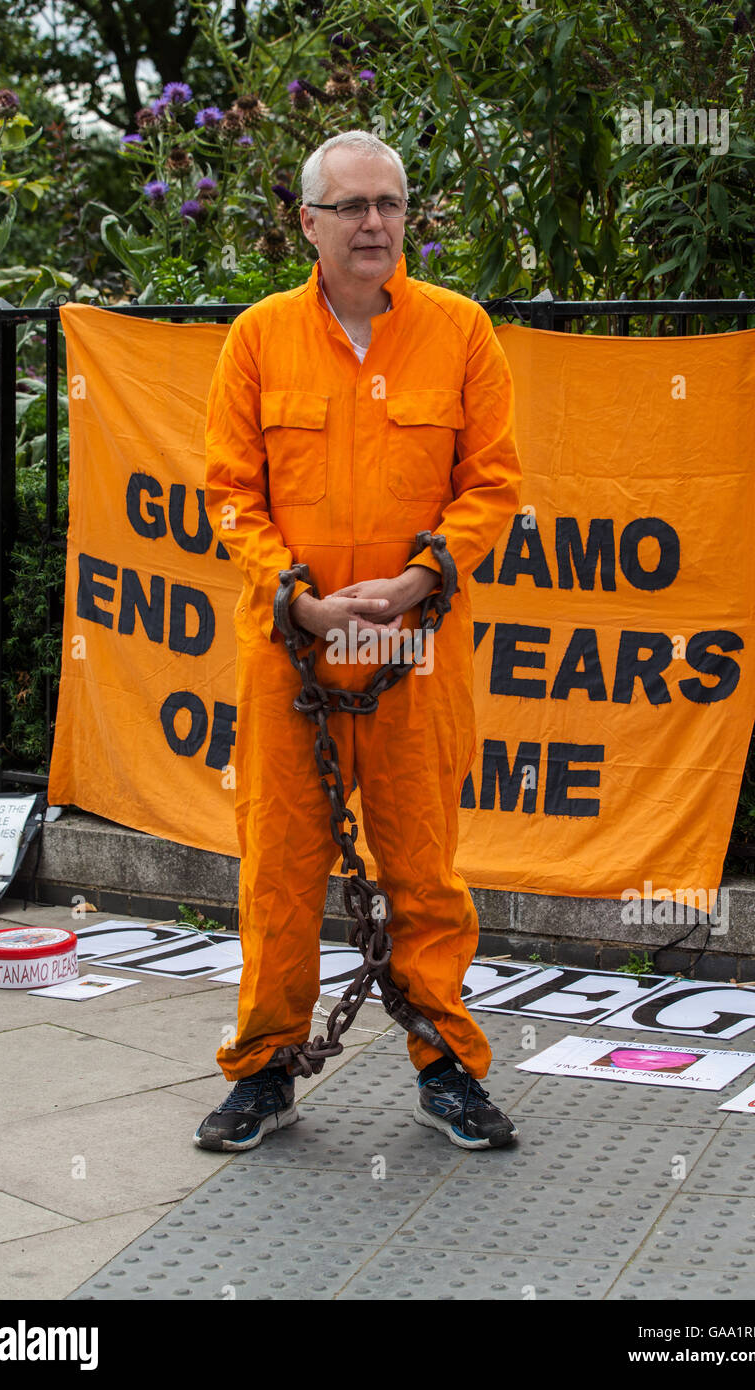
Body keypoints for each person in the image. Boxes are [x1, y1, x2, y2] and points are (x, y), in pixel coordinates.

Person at [197, 129, 523, 1153]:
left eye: (387, 203)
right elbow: (228, 494)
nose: (374, 222)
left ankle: (446, 1067)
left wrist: (425, 573)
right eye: (351, 206)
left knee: (423, 866)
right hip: (287, 651)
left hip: (414, 654)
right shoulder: (255, 339)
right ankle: (262, 1068)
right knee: (280, 869)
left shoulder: (462, 333)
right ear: (309, 221)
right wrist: (291, 596)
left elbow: (493, 485)